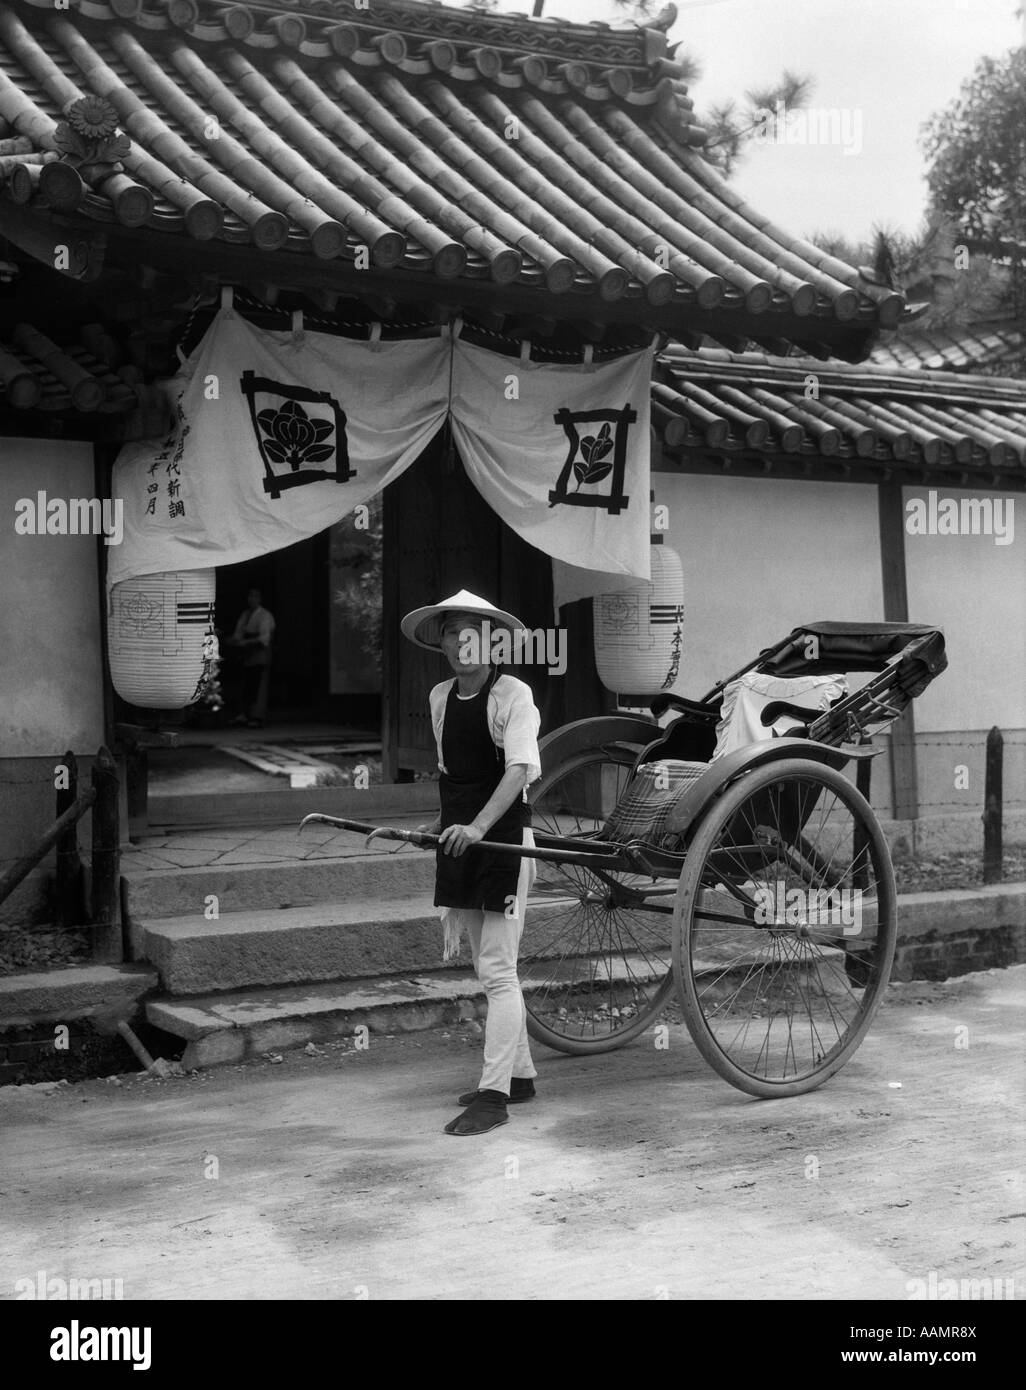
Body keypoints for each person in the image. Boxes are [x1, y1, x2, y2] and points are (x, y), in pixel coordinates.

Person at [401, 589, 542, 1137]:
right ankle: (521, 1077)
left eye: (474, 633)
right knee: (488, 967)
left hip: (505, 842)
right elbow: (453, 778)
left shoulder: (514, 693)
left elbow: (518, 770)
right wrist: (438, 829)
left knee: (499, 969)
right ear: (439, 643)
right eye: (452, 633)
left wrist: (480, 827)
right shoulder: (440, 697)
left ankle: (494, 1095)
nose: (463, 643)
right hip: (463, 840)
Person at [228, 588, 275, 728]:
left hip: (258, 654)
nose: (252, 599)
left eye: (255, 596)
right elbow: (238, 633)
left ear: (260, 599)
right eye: (250, 596)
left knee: (257, 685)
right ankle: (242, 714)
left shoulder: (265, 615)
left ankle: (257, 716)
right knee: (244, 685)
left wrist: (246, 642)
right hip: (245, 655)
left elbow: (264, 638)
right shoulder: (245, 614)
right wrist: (234, 641)